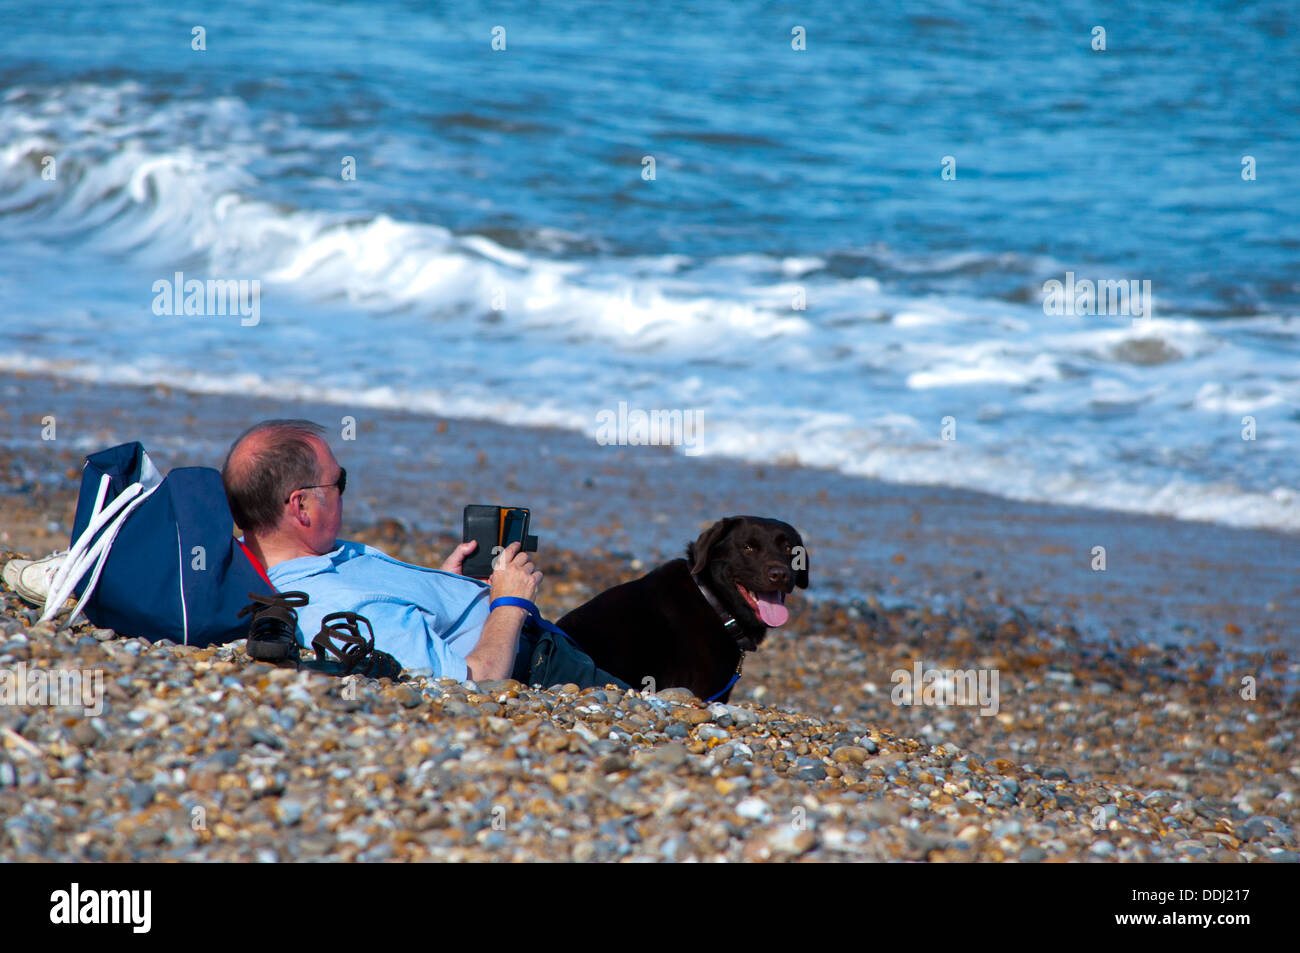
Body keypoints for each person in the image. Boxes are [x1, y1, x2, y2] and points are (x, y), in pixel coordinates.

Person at [220, 419, 623, 688]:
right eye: (337, 481)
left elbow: (405, 616)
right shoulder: (348, 610)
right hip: (542, 664)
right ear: (301, 506)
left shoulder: (299, 561)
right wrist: (510, 604)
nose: (343, 490)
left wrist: (442, 585)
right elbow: (471, 683)